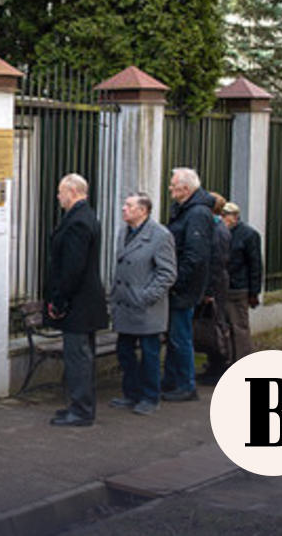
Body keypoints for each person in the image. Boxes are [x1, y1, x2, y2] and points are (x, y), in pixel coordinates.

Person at [46, 174, 108, 427]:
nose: (58, 197)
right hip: (84, 301)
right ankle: (78, 405)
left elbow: (73, 267)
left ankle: (81, 410)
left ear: (72, 191)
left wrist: (60, 300)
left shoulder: (79, 222)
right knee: (82, 356)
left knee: (78, 357)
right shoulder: (83, 216)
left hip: (79, 304)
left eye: (61, 192)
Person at [108, 192, 176, 415]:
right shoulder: (123, 232)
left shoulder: (160, 235)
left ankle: (150, 397)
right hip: (125, 306)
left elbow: (167, 273)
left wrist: (146, 296)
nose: (123, 209)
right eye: (124, 204)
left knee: (149, 354)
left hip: (146, 309)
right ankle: (131, 393)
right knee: (125, 351)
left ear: (142, 211)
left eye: (128, 205)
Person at [162, 167, 215, 402]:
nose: (171, 189)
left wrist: (177, 281)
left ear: (185, 188)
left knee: (180, 335)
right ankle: (173, 381)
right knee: (176, 334)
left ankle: (185, 384)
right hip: (183, 285)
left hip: (185, 287)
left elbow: (195, 255)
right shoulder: (187, 211)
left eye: (173, 185)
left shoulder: (197, 214)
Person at [195, 192, 232, 385]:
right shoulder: (218, 227)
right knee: (215, 322)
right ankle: (215, 364)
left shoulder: (217, 230)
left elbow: (216, 262)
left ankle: (219, 365)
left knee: (215, 324)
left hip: (215, 284)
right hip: (216, 282)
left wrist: (208, 291)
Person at [219, 201, 262, 370]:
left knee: (239, 327)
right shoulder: (221, 233)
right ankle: (227, 360)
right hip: (223, 286)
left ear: (235, 217)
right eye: (222, 215)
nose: (224, 219)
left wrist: (254, 291)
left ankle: (243, 362)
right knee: (224, 327)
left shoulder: (248, 235)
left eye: (227, 215)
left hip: (239, 287)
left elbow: (255, 264)